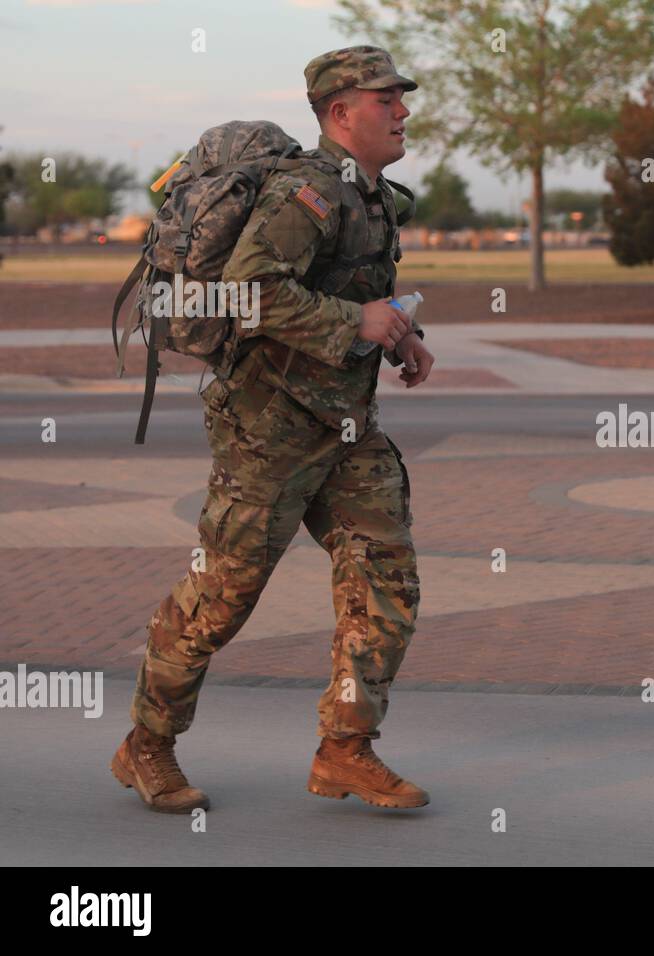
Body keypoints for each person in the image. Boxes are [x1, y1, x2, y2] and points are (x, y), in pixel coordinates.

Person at [111, 46, 437, 812]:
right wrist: (355, 319)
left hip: (348, 429)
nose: (402, 110)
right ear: (339, 111)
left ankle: (345, 749)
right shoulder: (307, 193)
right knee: (221, 597)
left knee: (385, 581)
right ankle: (146, 743)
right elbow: (247, 291)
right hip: (269, 430)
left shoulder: (374, 196)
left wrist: (398, 335)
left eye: (401, 97)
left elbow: (360, 289)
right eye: (385, 98)